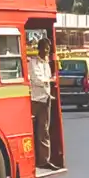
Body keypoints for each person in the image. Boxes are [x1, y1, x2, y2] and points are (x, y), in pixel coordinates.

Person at [29, 38, 58, 170]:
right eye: (45, 48)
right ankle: (32, 159)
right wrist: (50, 80)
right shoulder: (33, 62)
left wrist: (50, 81)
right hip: (35, 99)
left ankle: (44, 160)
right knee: (31, 130)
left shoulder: (46, 63)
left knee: (44, 130)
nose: (47, 50)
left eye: (48, 48)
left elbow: (48, 79)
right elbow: (36, 79)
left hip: (46, 99)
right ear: (39, 48)